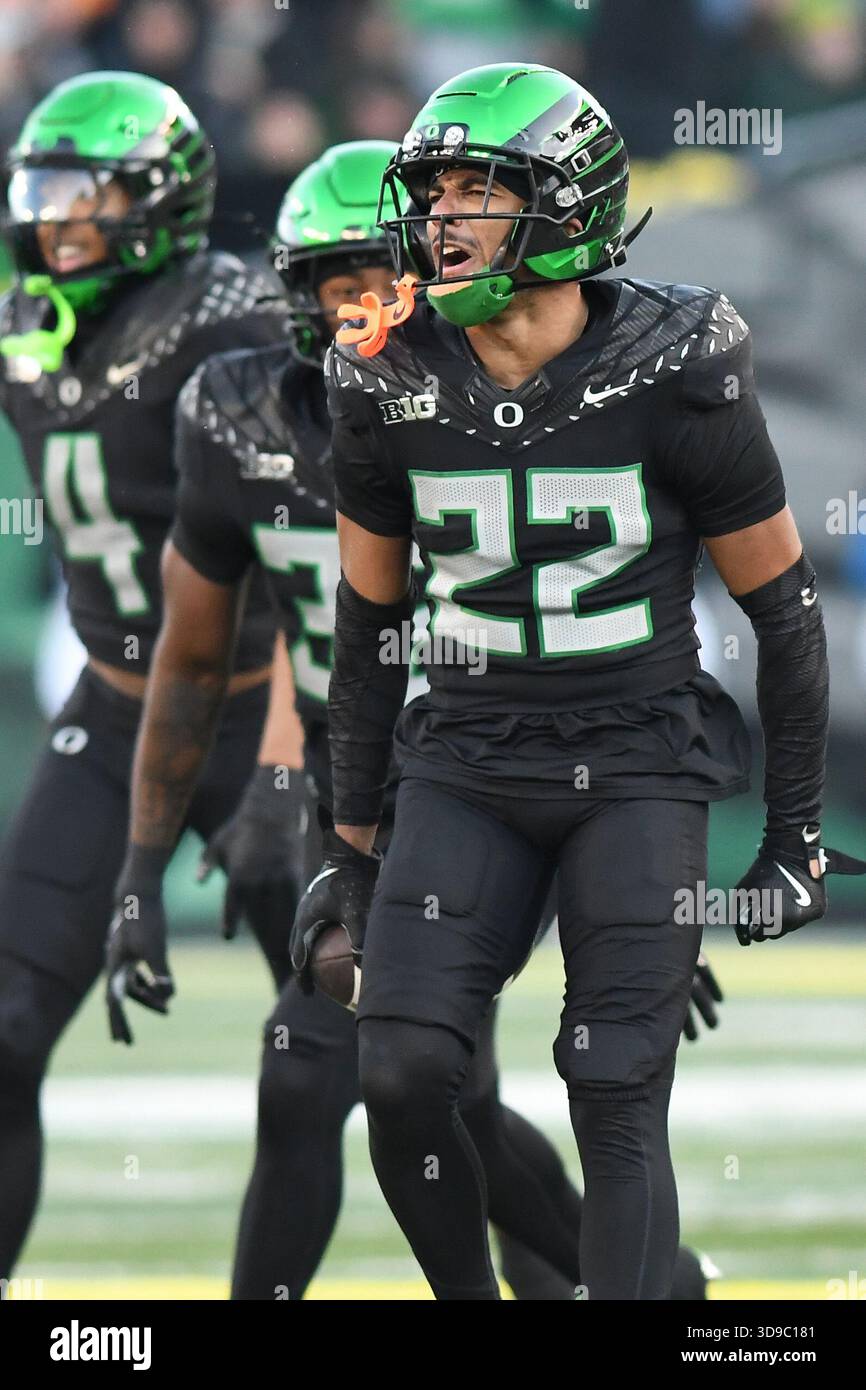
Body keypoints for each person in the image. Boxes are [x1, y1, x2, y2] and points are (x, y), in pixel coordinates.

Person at [111, 140, 717, 1300]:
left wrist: (644, 863)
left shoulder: (470, 398)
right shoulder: (248, 412)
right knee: (390, 1084)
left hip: (480, 765)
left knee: (394, 1080)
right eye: (326, 277)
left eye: (368, 270)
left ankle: (619, 1276)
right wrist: (217, 822)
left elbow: (579, 609)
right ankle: (623, 1276)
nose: (350, 303)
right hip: (362, 779)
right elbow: (250, 646)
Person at [296, 62, 865, 1299]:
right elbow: (366, 622)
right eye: (429, 191)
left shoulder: (676, 356)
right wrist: (347, 844)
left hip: (637, 758)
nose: (436, 220)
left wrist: (793, 834)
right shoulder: (381, 367)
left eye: (474, 193)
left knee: (611, 1082)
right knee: (397, 1073)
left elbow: (784, 610)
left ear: (563, 210)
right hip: (463, 757)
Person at [0, 70, 290, 1280]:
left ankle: (587, 1278)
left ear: (160, 201)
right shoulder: (33, 315)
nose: (55, 217)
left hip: (266, 710)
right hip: (115, 721)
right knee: (6, 1030)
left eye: (85, 190)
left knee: (403, 1065)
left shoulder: (234, 322)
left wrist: (288, 762)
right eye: (41, 189)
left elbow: (312, 555)